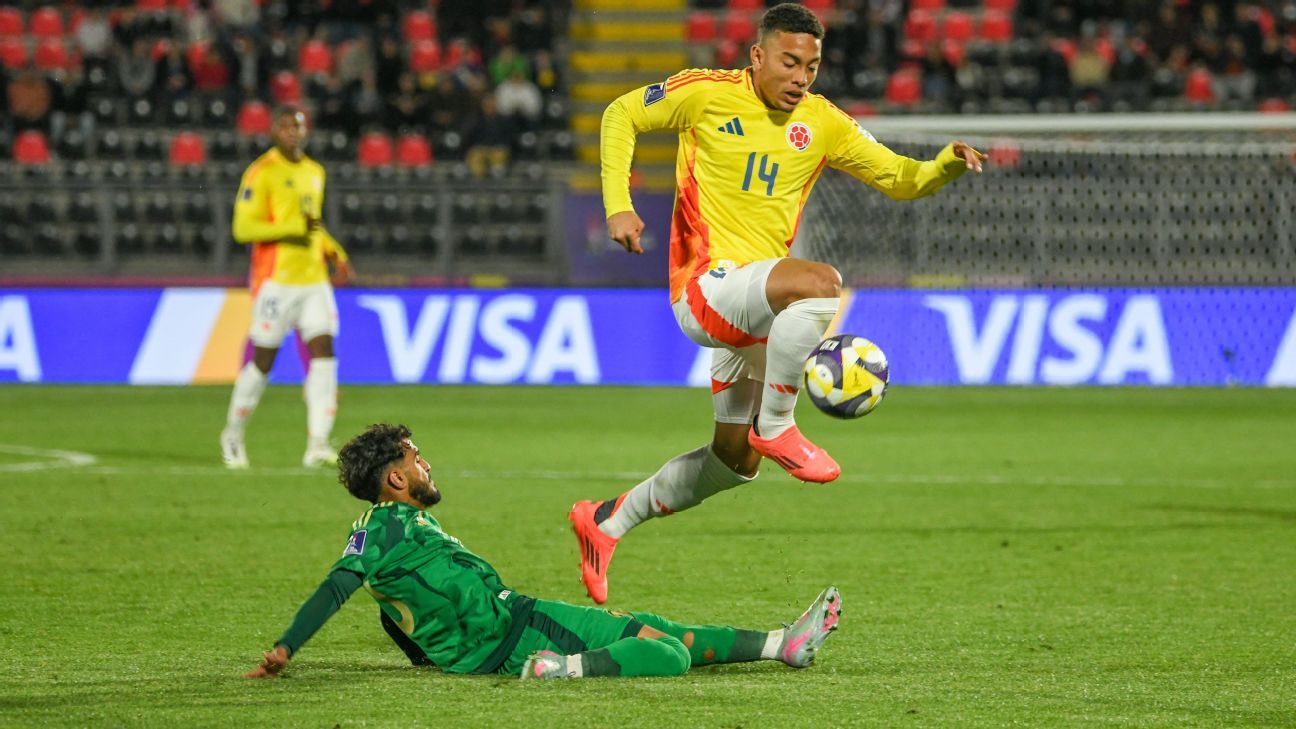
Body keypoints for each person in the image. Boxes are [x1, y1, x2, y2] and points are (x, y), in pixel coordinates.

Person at [569, 3, 985, 604]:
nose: (801, 78)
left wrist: (945, 163)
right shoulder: (704, 94)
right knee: (821, 285)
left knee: (733, 463)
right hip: (706, 286)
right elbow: (620, 114)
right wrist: (618, 203)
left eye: (811, 67)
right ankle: (780, 424)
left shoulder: (822, 122)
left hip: (757, 306)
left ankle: (605, 523)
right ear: (757, 55)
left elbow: (899, 178)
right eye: (790, 62)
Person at [244, 423, 842, 680]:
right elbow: (338, 586)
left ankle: (779, 646)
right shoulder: (381, 530)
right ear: (395, 479)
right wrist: (284, 648)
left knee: (655, 629)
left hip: (518, 616)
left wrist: (423, 653)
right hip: (514, 638)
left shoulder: (396, 531)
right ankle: (562, 672)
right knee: (667, 657)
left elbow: (390, 606)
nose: (425, 464)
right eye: (414, 457)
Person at [220, 104, 354, 469]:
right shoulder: (261, 172)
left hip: (314, 281)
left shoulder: (315, 172)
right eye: (284, 126)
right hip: (277, 282)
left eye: (297, 126)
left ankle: (318, 444)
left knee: (324, 353)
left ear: (305, 130)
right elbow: (243, 229)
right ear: (274, 131)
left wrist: (334, 250)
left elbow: (312, 226)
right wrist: (287, 231)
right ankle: (233, 433)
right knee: (263, 360)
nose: (291, 132)